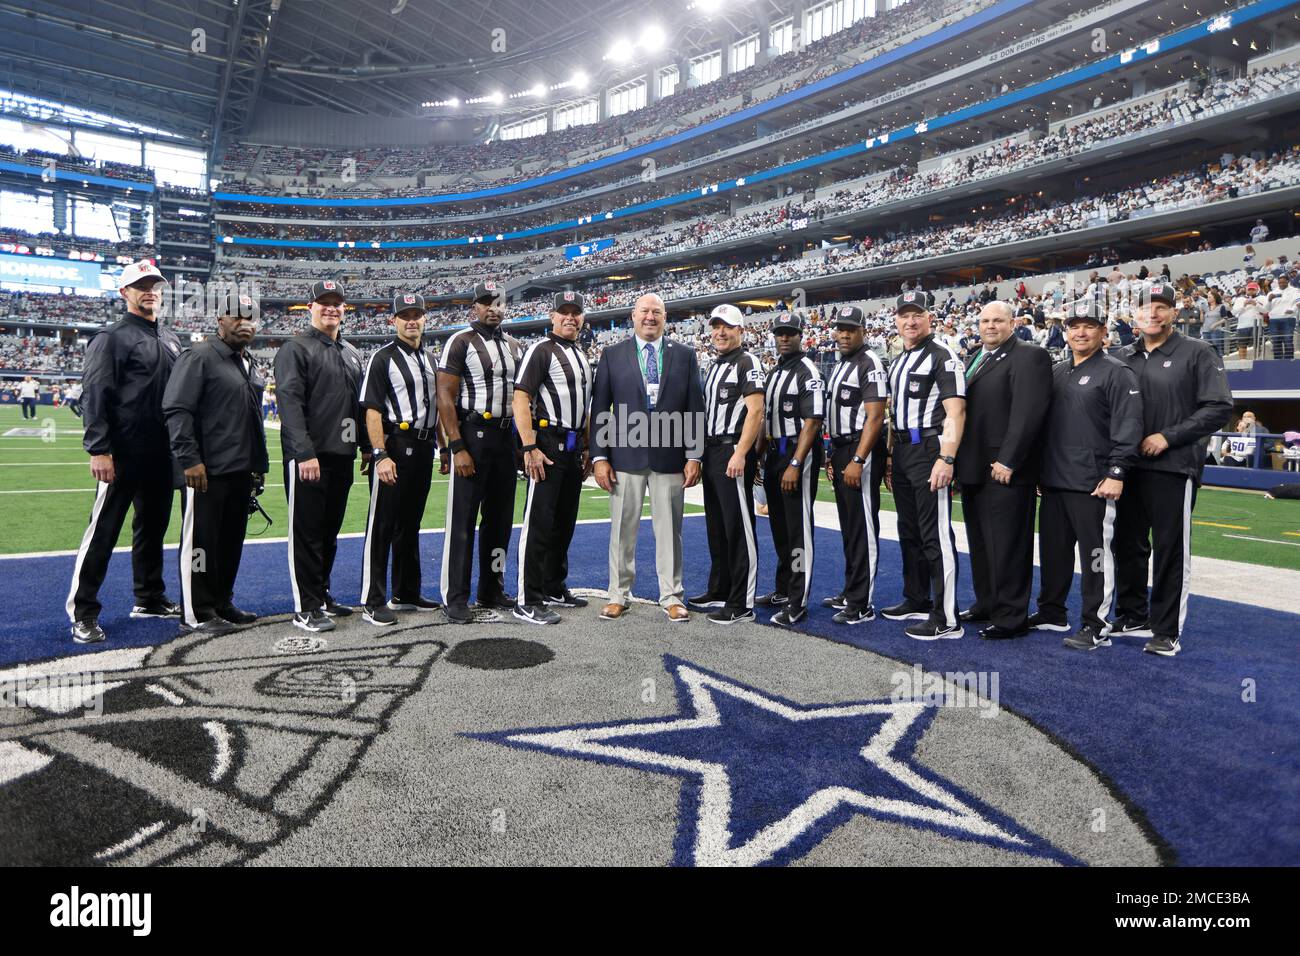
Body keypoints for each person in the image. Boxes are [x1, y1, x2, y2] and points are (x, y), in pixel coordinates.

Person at [1112, 282, 1233, 657]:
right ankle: (1132, 614)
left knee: (1171, 549)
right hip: (1127, 468)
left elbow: (1218, 407)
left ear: (1174, 313)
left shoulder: (1198, 351)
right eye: (1146, 307)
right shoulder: (1120, 357)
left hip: (1173, 465)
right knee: (1126, 544)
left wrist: (1168, 436)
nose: (1153, 313)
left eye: (1162, 307)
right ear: (1135, 314)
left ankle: (1166, 629)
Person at [65, 260, 183, 644]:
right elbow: (95, 394)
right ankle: (83, 612)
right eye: (141, 285)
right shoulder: (111, 337)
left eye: (155, 285)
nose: (150, 290)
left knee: (152, 529)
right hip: (123, 453)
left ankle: (148, 597)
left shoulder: (170, 338)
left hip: (161, 454)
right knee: (103, 532)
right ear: (124, 293)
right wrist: (99, 449)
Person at [1034, 299, 1143, 651]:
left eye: (1089, 326)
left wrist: (1117, 471)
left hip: (1093, 483)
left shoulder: (1116, 372)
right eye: (1074, 326)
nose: (1080, 332)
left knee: (1096, 557)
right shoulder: (1056, 370)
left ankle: (1096, 623)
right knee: (1053, 552)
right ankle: (1051, 610)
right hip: (1053, 480)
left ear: (1102, 332)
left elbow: (1129, 427)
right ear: (1065, 332)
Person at [591, 292, 704, 622]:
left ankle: (671, 595)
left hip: (670, 457)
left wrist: (694, 454)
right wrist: (599, 457)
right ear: (633, 315)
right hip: (624, 457)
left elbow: (694, 407)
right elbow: (600, 409)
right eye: (644, 311)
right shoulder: (613, 354)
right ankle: (618, 594)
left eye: (656, 312)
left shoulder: (685, 355)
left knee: (670, 531)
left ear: (665, 317)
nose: (650, 317)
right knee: (622, 531)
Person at [162, 289, 268, 636]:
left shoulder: (247, 361)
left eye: (250, 318)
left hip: (239, 469)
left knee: (229, 542)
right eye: (237, 316)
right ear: (219, 320)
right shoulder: (200, 356)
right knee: (201, 544)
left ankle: (222, 602)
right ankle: (196, 612)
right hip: (206, 471)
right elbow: (177, 410)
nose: (244, 323)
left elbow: (252, 419)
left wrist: (257, 466)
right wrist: (189, 460)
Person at [274, 279, 366, 633]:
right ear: (309, 306)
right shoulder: (294, 349)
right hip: (310, 458)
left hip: (341, 456)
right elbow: (290, 404)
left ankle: (322, 593)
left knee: (329, 532)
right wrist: (304, 452)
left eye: (337, 303)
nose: (331, 308)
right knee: (307, 532)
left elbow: (358, 407)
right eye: (324, 302)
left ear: (344, 308)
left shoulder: (352, 352)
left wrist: (365, 447)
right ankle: (306, 605)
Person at [956, 301, 1052, 640]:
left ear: (1013, 323)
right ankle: (987, 602)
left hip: (1005, 468)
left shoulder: (1030, 355)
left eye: (998, 320)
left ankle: (1011, 616)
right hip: (974, 467)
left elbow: (1028, 413)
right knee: (981, 542)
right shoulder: (974, 357)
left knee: (1009, 545)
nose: (990, 326)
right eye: (984, 320)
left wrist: (1010, 459)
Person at [881, 290, 967, 640]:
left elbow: (956, 411)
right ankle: (916, 598)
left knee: (935, 534)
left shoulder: (941, 355)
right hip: (902, 449)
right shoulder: (900, 359)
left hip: (929, 447)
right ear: (897, 320)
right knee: (909, 530)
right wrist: (889, 456)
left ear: (929, 317)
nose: (911, 321)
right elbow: (893, 414)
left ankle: (946, 616)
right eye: (904, 315)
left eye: (917, 314)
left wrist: (946, 457)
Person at [437, 280, 523, 623]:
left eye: (498, 302)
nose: (493, 308)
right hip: (473, 434)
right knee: (462, 521)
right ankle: (455, 595)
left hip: (505, 439)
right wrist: (457, 446)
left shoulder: (515, 346)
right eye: (486, 303)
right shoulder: (460, 342)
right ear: (474, 307)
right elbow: (444, 396)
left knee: (500, 522)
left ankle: (492, 586)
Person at [358, 292, 441, 626]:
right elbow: (372, 411)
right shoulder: (383, 358)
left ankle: (406, 591)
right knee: (382, 526)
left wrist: (445, 447)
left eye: (416, 314)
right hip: (395, 444)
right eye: (404, 315)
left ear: (424, 319)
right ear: (393, 320)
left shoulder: (431, 360)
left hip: (423, 447)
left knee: (411, 524)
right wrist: (380, 455)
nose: (411, 320)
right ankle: (372, 599)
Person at [511, 291, 594, 625]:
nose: (570, 318)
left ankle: (553, 585)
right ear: (552, 316)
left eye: (576, 313)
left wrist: (588, 447)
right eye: (564, 312)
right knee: (539, 522)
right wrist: (529, 447)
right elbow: (521, 398)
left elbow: (585, 407)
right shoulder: (540, 350)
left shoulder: (581, 354)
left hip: (574, 446)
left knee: (564, 521)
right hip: (547, 442)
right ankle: (528, 598)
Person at [692, 303, 764, 625]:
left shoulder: (746, 362)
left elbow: (756, 411)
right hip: (712, 450)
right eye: (716, 326)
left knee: (738, 526)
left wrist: (741, 452)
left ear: (740, 331)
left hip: (732, 449)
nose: (720, 332)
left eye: (728, 327)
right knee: (717, 526)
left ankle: (742, 602)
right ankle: (720, 589)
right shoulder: (715, 365)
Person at [755, 310, 824, 627]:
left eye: (790, 333)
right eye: (779, 333)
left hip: (796, 452)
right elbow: (764, 419)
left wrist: (796, 462)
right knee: (781, 530)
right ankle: (783, 589)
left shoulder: (807, 370)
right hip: (773, 453)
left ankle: (798, 601)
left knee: (798, 531)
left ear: (801, 336)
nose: (784, 338)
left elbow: (813, 421)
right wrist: (758, 456)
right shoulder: (775, 372)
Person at [821, 305, 889, 625]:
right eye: (840, 328)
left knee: (862, 527)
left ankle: (862, 603)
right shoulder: (841, 363)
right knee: (849, 527)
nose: (844, 334)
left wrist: (858, 459)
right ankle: (851, 591)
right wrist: (832, 454)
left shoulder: (868, 361)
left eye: (851, 328)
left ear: (864, 330)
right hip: (840, 448)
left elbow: (875, 417)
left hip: (858, 448)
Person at [1266, 273, 1298, 360]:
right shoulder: (1272, 292)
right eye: (1280, 282)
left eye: (1284, 282)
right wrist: (1269, 300)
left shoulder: (1295, 291)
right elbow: (1267, 309)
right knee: (1276, 342)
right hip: (1274, 320)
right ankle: (1278, 361)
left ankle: (1288, 361)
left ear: (1288, 281)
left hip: (1288, 318)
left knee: (1288, 340)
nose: (1282, 284)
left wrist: (1293, 310)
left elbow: (1298, 302)